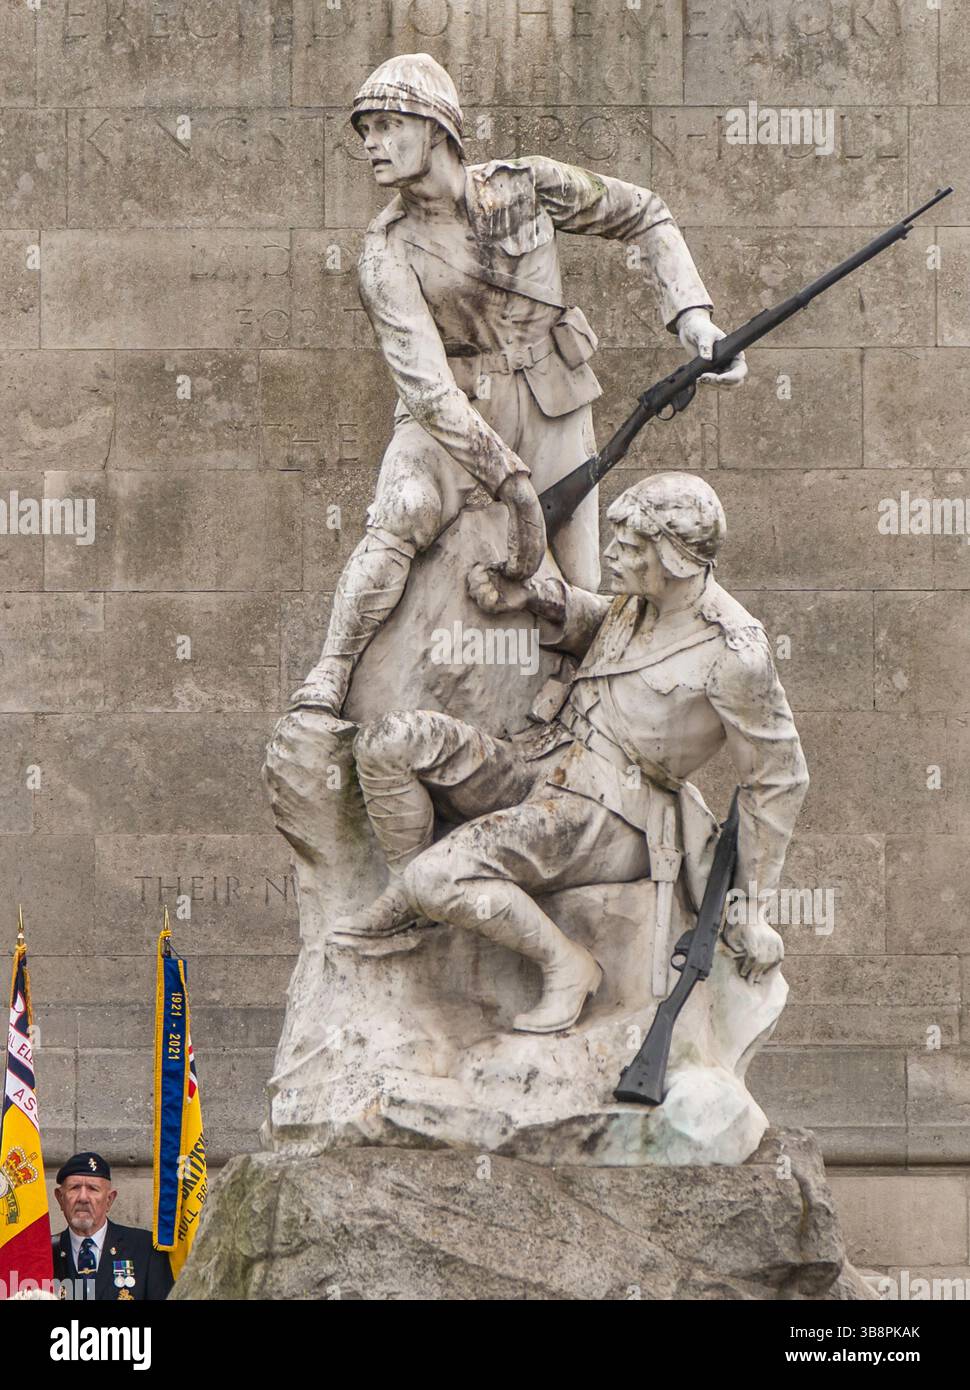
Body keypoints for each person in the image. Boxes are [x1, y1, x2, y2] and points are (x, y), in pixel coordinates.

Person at [290, 53, 746, 719]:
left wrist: (694, 319)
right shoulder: (384, 253)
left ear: (437, 127)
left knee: (584, 582)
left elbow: (645, 213)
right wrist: (509, 480)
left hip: (554, 401)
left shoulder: (526, 187)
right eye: (365, 131)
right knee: (404, 511)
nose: (372, 145)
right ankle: (332, 669)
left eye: (388, 125)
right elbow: (427, 387)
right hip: (451, 415)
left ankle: (561, 725)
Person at [330, 473, 809, 1034]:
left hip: (611, 812)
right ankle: (408, 895)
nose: (610, 554)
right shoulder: (644, 603)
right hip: (545, 755)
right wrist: (534, 596)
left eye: (629, 547)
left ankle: (565, 965)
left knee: (441, 878)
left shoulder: (736, 655)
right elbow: (607, 623)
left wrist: (752, 908)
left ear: (674, 558)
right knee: (390, 742)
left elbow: (778, 780)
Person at [51, 1152, 173, 1301]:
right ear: (60, 1198)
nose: (83, 1198)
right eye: (75, 1188)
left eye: (92, 1189)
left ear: (109, 1199)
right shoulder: (44, 1253)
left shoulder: (146, 1249)